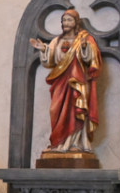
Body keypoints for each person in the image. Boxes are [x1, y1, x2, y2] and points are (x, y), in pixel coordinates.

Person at [30, 8, 103, 157]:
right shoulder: (56, 41)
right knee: (55, 110)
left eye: (69, 20)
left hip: (78, 80)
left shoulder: (84, 38)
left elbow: (92, 60)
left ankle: (76, 143)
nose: (66, 23)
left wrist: (84, 47)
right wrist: (44, 50)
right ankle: (58, 143)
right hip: (60, 80)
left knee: (76, 110)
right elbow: (50, 62)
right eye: (64, 20)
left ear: (76, 22)